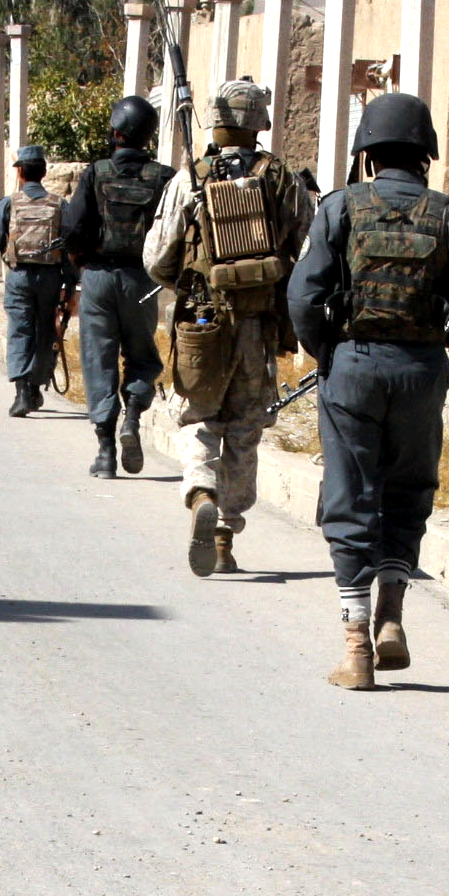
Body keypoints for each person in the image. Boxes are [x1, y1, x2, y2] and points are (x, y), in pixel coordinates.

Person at [287, 92, 449, 686]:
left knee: (350, 497)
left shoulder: (340, 208)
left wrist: (327, 351)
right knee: (408, 491)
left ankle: (356, 650)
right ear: (425, 151)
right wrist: (446, 334)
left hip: (353, 365)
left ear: (368, 154)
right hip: (422, 370)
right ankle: (392, 614)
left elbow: (303, 297)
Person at [144, 77, 312, 575]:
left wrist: (192, 280)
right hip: (257, 325)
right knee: (243, 429)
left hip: (200, 319)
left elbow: (156, 258)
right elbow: (306, 251)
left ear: (216, 121)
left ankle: (200, 492)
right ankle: (225, 533)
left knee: (198, 417)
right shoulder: (283, 180)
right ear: (259, 121)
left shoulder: (187, 180)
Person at [58, 97, 169, 478]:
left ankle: (105, 452)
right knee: (142, 355)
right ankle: (133, 418)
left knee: (97, 359)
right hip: (143, 280)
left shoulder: (96, 172)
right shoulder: (164, 177)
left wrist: (80, 265)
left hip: (100, 279)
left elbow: (73, 229)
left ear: (118, 132)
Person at [0, 144, 71, 417]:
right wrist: (70, 286)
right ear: (43, 173)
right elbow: (69, 247)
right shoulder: (59, 204)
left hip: (19, 277)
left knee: (20, 331)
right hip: (51, 278)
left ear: (20, 174)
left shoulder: (9, 203)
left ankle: (21, 394)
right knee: (45, 332)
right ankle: (34, 388)